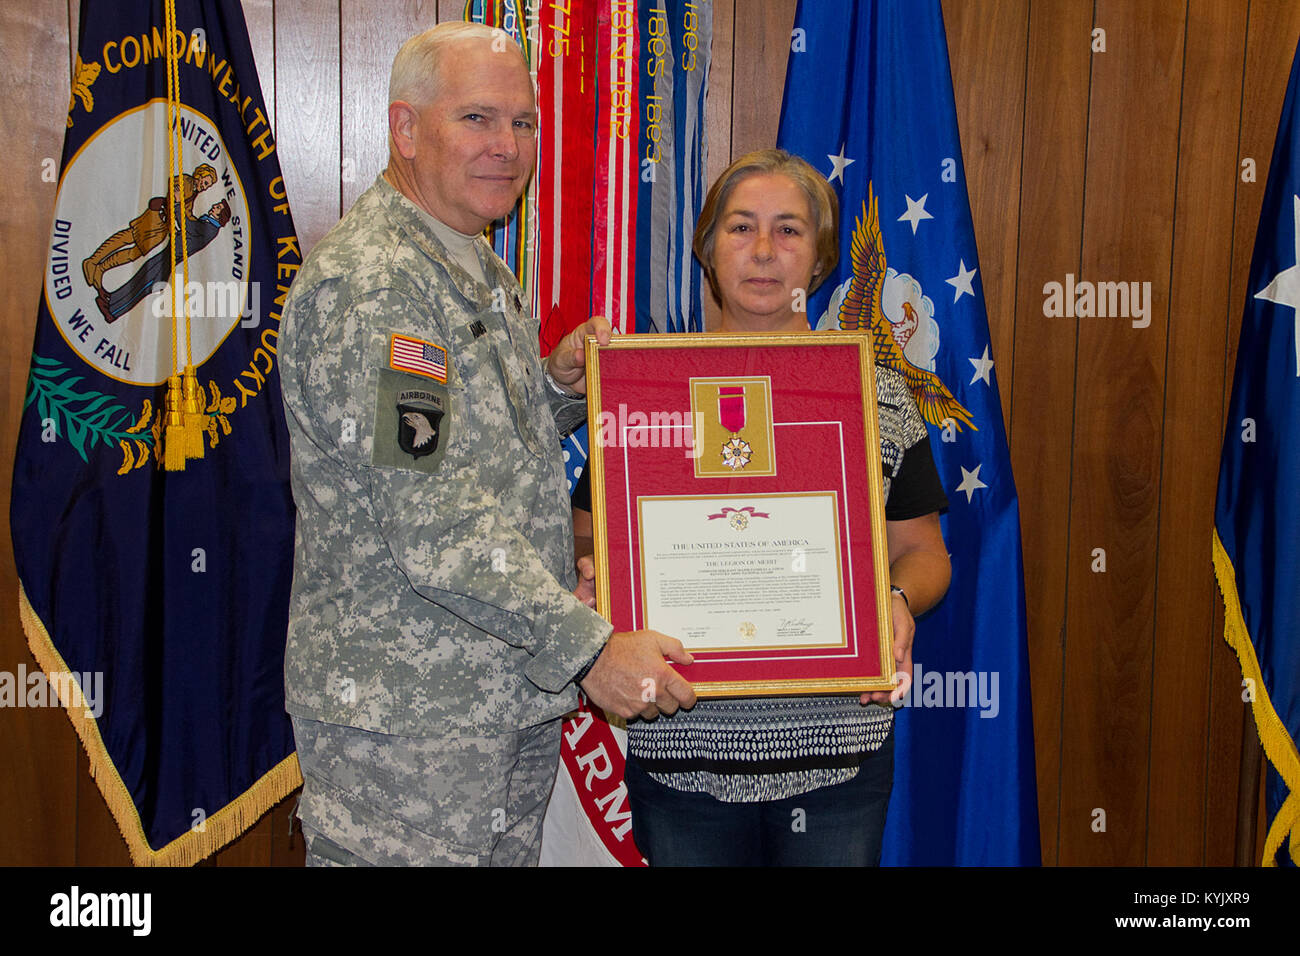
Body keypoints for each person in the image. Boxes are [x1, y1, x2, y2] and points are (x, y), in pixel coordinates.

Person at [277, 22, 694, 867]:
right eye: (477, 118)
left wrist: (554, 389)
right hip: (409, 732)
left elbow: (455, 450)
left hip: (488, 704)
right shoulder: (378, 284)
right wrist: (592, 649)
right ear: (405, 129)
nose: (508, 147)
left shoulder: (464, 258)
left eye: (525, 122)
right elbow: (429, 519)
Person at [577, 148, 952, 865]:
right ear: (707, 250)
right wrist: (597, 581)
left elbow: (924, 551)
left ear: (818, 259)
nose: (762, 251)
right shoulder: (643, 389)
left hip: (838, 758)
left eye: (789, 230)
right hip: (682, 748)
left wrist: (897, 600)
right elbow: (588, 535)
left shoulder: (874, 394)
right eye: (740, 227)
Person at [82, 163, 218, 294]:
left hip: (162, 229)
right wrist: (175, 204)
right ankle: (92, 261)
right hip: (157, 217)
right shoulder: (186, 181)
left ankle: (101, 269)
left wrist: (195, 224)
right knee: (127, 237)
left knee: (134, 253)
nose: (205, 187)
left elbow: (186, 213)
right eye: (205, 183)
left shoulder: (193, 193)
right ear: (200, 175)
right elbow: (173, 188)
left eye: (208, 186)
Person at [95, 200, 230, 322]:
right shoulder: (207, 222)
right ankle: (111, 300)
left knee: (140, 286)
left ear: (220, 215)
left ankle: (112, 312)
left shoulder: (210, 228)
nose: (214, 206)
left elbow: (188, 226)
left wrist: (176, 205)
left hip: (169, 260)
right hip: (168, 253)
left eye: (218, 207)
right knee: (140, 278)